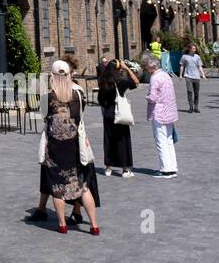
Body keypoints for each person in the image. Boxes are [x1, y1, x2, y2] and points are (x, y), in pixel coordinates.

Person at [30, 60, 100, 234]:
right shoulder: (78, 95)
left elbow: (45, 117)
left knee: (58, 188)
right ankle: (94, 225)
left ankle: (62, 224)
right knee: (83, 187)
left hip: (55, 147)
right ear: (69, 74)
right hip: (75, 145)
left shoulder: (48, 97)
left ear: (53, 76)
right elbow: (81, 115)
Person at [98, 59, 138, 176]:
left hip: (108, 114)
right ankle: (125, 169)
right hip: (119, 114)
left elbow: (100, 100)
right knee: (122, 140)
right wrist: (127, 68)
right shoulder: (120, 82)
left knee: (108, 140)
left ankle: (108, 168)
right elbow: (136, 82)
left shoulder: (103, 82)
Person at [143, 54, 179, 177]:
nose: (146, 69)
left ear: (150, 67)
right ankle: (172, 167)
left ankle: (165, 169)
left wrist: (146, 97)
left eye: (146, 67)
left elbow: (153, 97)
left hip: (159, 112)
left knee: (161, 141)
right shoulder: (165, 75)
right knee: (169, 140)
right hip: (169, 111)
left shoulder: (155, 77)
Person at [178, 43, 205, 113]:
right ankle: (191, 106)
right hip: (188, 76)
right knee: (190, 91)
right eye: (193, 48)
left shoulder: (197, 57)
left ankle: (196, 107)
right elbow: (182, 66)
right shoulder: (184, 57)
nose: (195, 50)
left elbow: (200, 66)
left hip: (196, 76)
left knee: (196, 93)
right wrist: (180, 75)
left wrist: (203, 75)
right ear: (189, 49)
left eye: (195, 48)